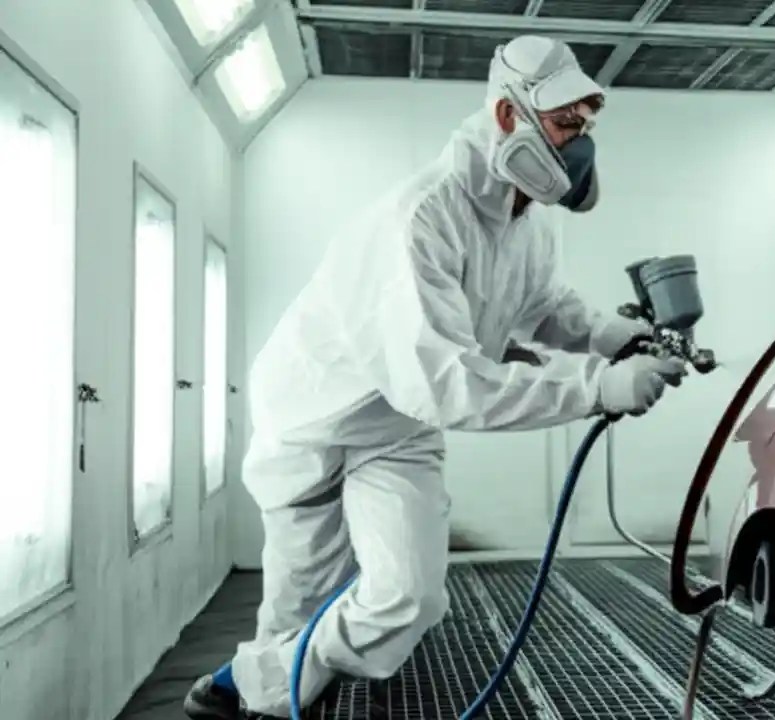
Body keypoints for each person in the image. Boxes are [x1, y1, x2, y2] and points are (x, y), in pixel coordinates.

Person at [183, 34, 687, 720]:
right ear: (509, 117)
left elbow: (540, 304)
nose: (579, 148)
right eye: (567, 125)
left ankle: (254, 681)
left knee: (409, 598)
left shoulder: (525, 220)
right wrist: (594, 387)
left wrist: (604, 336)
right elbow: (445, 382)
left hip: (398, 429)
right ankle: (259, 692)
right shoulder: (423, 216)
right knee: (297, 605)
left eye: (585, 129)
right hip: (315, 421)